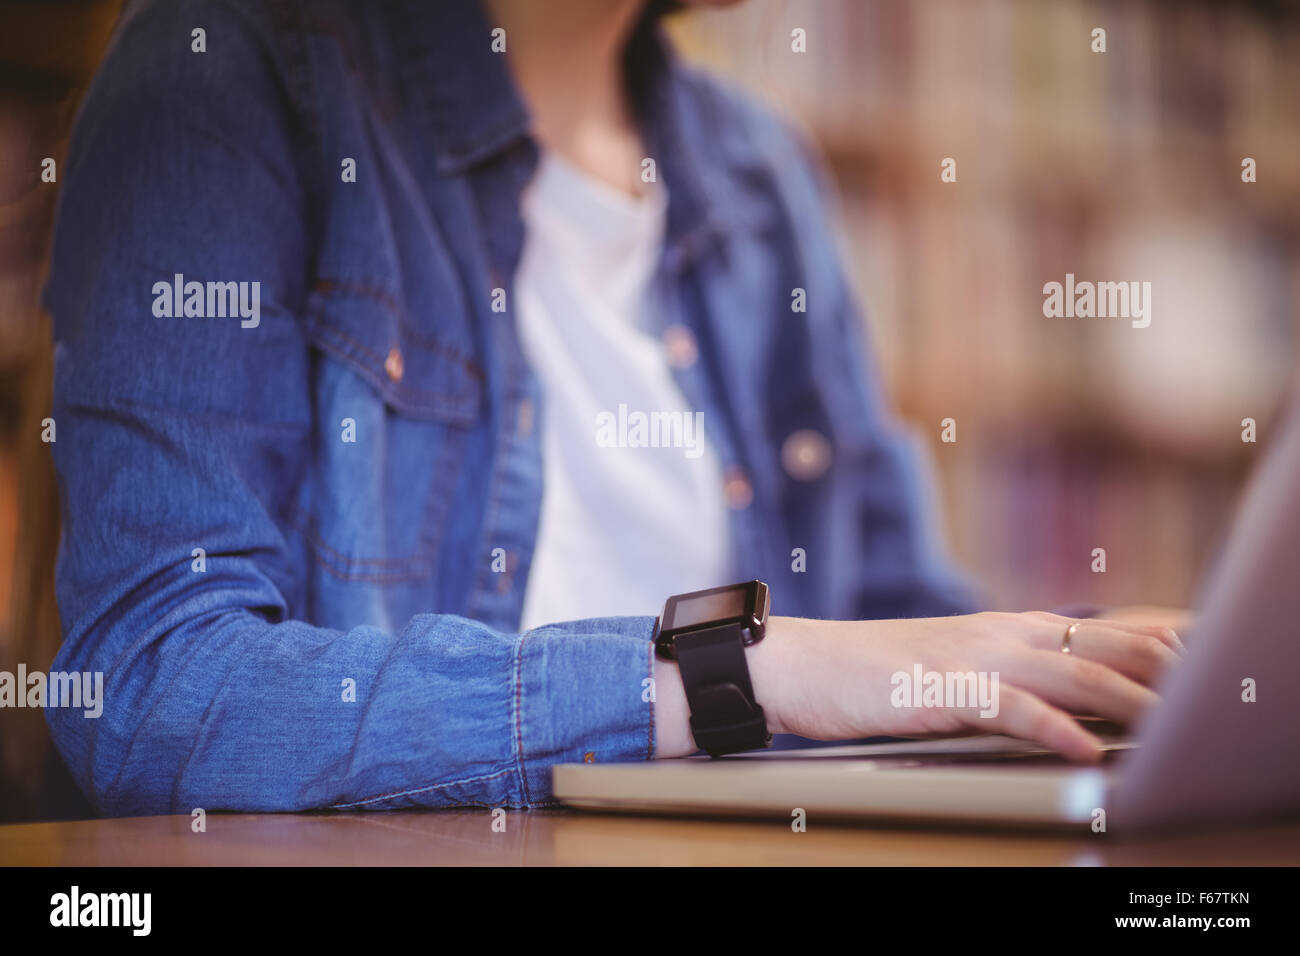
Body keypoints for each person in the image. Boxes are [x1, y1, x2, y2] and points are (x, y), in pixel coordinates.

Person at [44, 0, 1182, 815]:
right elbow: (156, 685)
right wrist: (734, 670)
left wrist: (1108, 661)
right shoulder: (218, 72)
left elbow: (896, 623)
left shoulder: (757, 170)